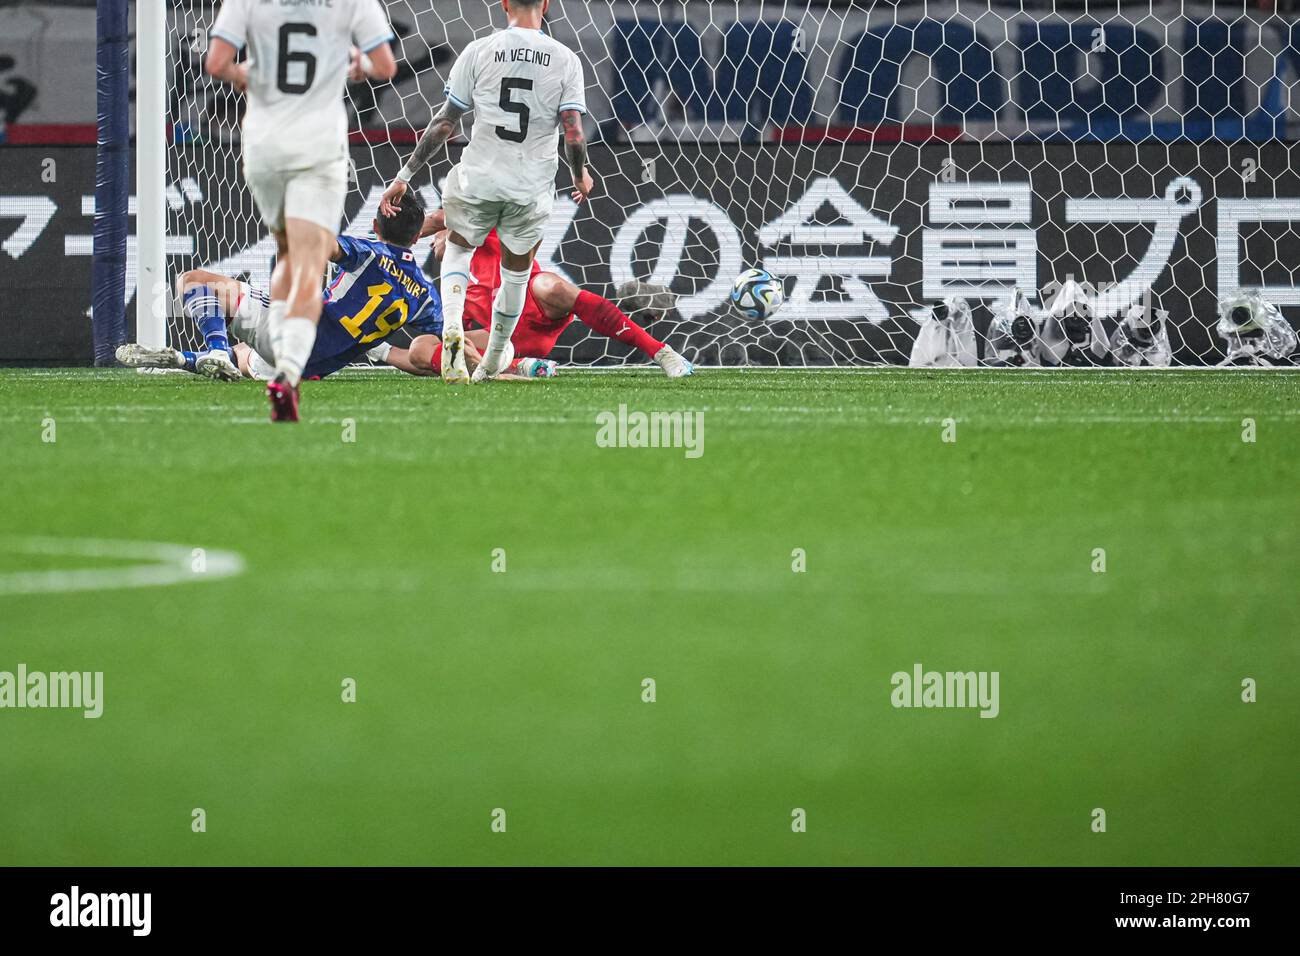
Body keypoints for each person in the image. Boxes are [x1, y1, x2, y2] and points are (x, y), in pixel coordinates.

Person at [379, 0, 591, 383]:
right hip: (529, 184)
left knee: (457, 249)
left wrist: (404, 175)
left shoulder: (479, 50)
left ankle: (453, 332)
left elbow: (445, 122)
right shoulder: (565, 59)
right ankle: (494, 358)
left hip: (478, 177)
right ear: (545, 5)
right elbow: (573, 131)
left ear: (505, 4)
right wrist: (580, 174)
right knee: (517, 273)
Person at [205, 0, 397, 420]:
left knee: (288, 252)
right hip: (317, 146)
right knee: (310, 261)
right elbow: (385, 66)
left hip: (264, 146)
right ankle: (288, 374)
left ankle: (276, 351)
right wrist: (357, 65)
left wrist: (249, 76)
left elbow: (217, 63)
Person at [117, 192, 442, 384]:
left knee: (193, 280)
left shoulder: (368, 253)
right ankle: (188, 359)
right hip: (311, 367)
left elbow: (323, 244)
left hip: (296, 333)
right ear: (417, 239)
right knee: (248, 356)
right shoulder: (425, 294)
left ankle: (215, 349)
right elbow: (424, 356)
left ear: (374, 226)